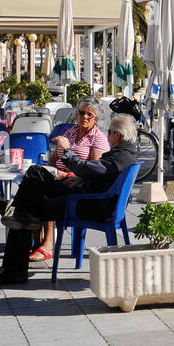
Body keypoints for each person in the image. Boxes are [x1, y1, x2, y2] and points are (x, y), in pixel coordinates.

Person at [0, 113, 139, 286]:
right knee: (36, 172)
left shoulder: (119, 157)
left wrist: (66, 151)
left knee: (25, 213)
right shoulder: (126, 154)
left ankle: (15, 269)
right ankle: (19, 214)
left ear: (117, 135)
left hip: (85, 204)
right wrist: (82, 179)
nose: (107, 135)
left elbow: (85, 167)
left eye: (110, 132)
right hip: (86, 197)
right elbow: (99, 174)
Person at [28, 97, 108, 261]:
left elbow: (93, 171)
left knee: (42, 191)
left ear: (96, 118)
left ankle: (47, 243)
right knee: (35, 180)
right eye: (81, 113)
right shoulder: (70, 132)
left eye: (89, 114)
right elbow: (54, 159)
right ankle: (36, 238)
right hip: (58, 177)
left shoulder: (97, 138)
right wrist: (49, 170)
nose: (84, 117)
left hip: (76, 184)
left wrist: (68, 175)